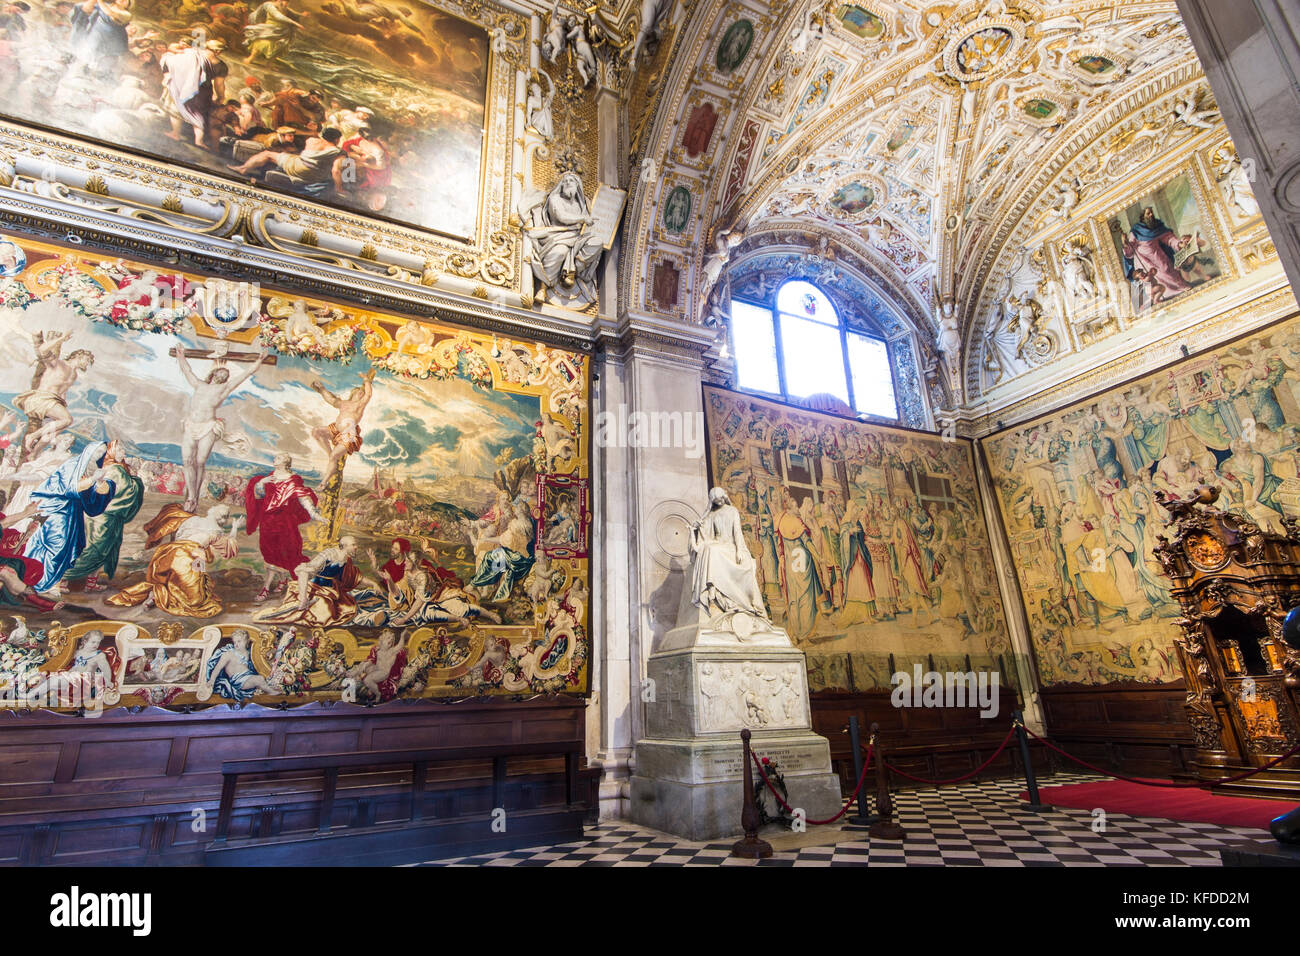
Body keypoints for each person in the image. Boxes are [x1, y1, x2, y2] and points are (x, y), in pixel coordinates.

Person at [175, 340, 269, 512]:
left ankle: (194, 496)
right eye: (221, 371)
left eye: (226, 373)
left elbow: (246, 374)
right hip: (191, 425)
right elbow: (187, 370)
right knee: (187, 461)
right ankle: (190, 497)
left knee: (200, 461)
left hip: (208, 427)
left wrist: (259, 360)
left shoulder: (225, 388)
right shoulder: (199, 385)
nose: (224, 373)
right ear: (213, 373)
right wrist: (181, 355)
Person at [106, 503, 241, 617]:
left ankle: (154, 596)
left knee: (171, 579)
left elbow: (176, 532)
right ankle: (158, 596)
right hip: (188, 555)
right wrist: (235, 528)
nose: (225, 521)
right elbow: (230, 547)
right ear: (220, 518)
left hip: (168, 551)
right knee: (197, 600)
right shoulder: (216, 530)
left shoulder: (192, 519)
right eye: (225, 518)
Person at [23, 441, 115, 596]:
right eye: (96, 451)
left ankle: (52, 583)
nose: (98, 455)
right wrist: (93, 480)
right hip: (56, 509)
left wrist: (100, 482)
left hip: (72, 513)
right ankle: (43, 583)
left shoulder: (92, 469)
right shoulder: (72, 465)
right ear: (88, 451)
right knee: (57, 545)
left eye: (102, 452)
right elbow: (70, 489)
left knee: (67, 548)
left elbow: (94, 499)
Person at [63, 438, 143, 591]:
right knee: (93, 552)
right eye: (120, 450)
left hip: (102, 517)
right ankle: (63, 579)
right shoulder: (115, 470)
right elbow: (125, 491)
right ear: (110, 452)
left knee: (98, 552)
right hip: (103, 518)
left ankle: (89, 583)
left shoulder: (112, 468)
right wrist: (136, 482)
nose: (124, 452)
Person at [688, 487, 770, 627]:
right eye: (715, 501)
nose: (718, 502)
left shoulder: (732, 511)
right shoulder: (712, 514)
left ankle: (714, 586)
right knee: (709, 549)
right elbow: (704, 531)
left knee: (712, 550)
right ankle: (711, 586)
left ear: (724, 497)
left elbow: (737, 532)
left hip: (731, 547)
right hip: (717, 544)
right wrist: (696, 527)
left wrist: (739, 550)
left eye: (720, 499)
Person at [244, 453, 321, 601]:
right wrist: (261, 483)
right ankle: (282, 580)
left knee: (283, 552)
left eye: (278, 458)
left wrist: (315, 515)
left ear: (286, 463)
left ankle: (265, 588)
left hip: (284, 522)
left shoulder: (293, 481)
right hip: (267, 521)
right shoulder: (270, 477)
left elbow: (304, 499)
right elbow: (259, 496)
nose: (274, 459)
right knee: (270, 552)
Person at [14, 331, 93, 455]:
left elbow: (63, 392)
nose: (87, 364)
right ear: (78, 355)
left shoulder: (74, 374)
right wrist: (61, 338)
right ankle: (32, 436)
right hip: (41, 399)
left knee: (59, 427)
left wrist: (62, 407)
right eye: (87, 360)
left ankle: (35, 452)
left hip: (53, 402)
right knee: (67, 420)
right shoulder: (58, 363)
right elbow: (42, 349)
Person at [255, 535, 361, 627]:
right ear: (345, 546)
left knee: (341, 608)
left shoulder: (347, 559)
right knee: (324, 612)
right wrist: (303, 598)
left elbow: (353, 576)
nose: (356, 547)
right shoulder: (329, 554)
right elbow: (304, 570)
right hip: (315, 588)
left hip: (331, 591)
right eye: (353, 545)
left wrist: (373, 584)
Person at [309, 367, 376, 484]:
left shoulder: (360, 404)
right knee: (316, 431)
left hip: (348, 434)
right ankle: (330, 455)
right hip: (336, 429)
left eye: (363, 392)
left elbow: (369, 394)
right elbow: (331, 400)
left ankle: (324, 482)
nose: (362, 393)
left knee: (334, 458)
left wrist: (366, 380)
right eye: (360, 392)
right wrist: (321, 389)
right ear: (353, 393)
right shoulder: (344, 403)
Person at [203, 628, 281, 701]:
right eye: (234, 642)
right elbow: (218, 668)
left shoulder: (248, 653)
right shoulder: (228, 654)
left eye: (239, 641)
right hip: (238, 681)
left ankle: (268, 689)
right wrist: (212, 680)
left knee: (264, 679)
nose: (236, 644)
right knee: (259, 679)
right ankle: (271, 692)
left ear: (246, 641)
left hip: (247, 676)